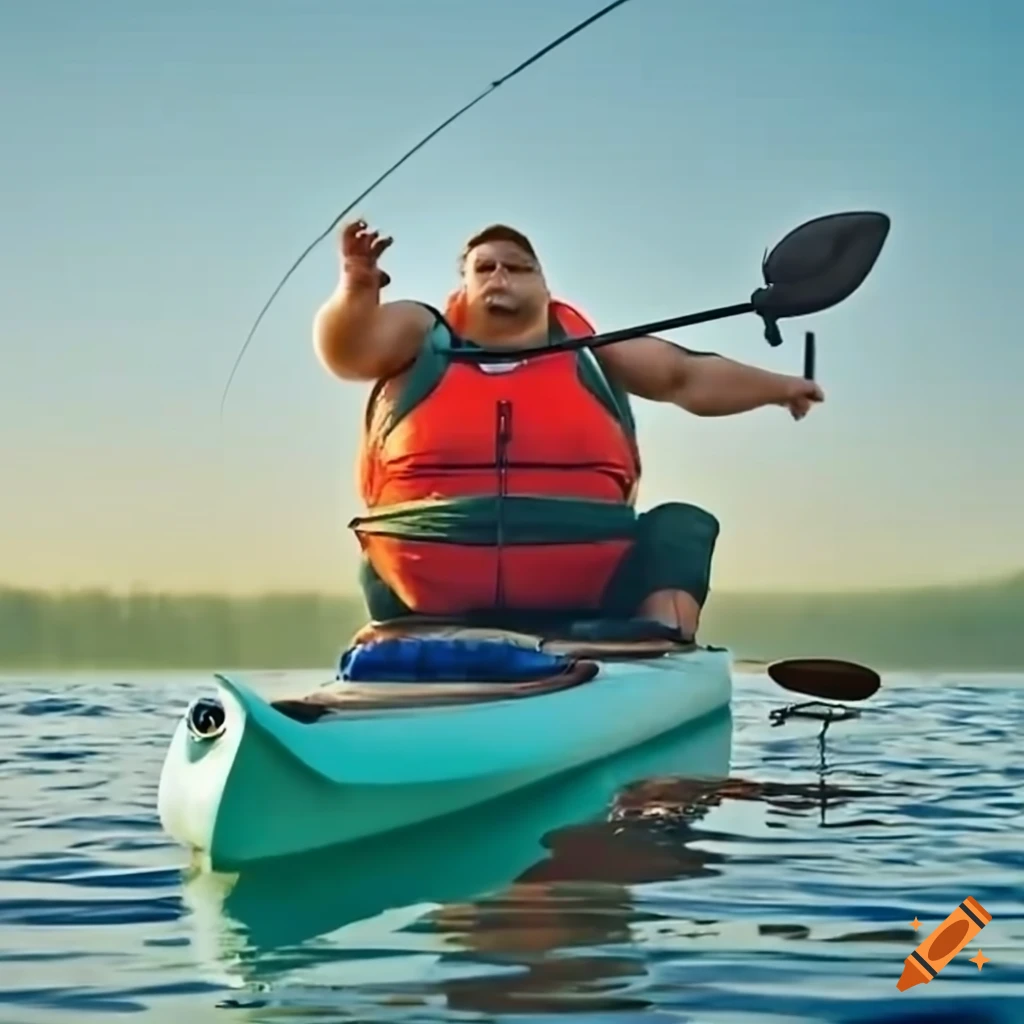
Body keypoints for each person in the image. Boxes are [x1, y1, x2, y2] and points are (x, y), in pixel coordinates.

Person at [313, 219, 823, 638]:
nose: (500, 277)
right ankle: (395, 648)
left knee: (682, 525)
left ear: (544, 286)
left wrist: (781, 388)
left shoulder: (593, 352)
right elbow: (348, 351)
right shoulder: (417, 337)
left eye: (518, 268)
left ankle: (654, 647)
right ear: (462, 286)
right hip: (424, 589)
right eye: (484, 268)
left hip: (579, 586)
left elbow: (684, 375)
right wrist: (358, 283)